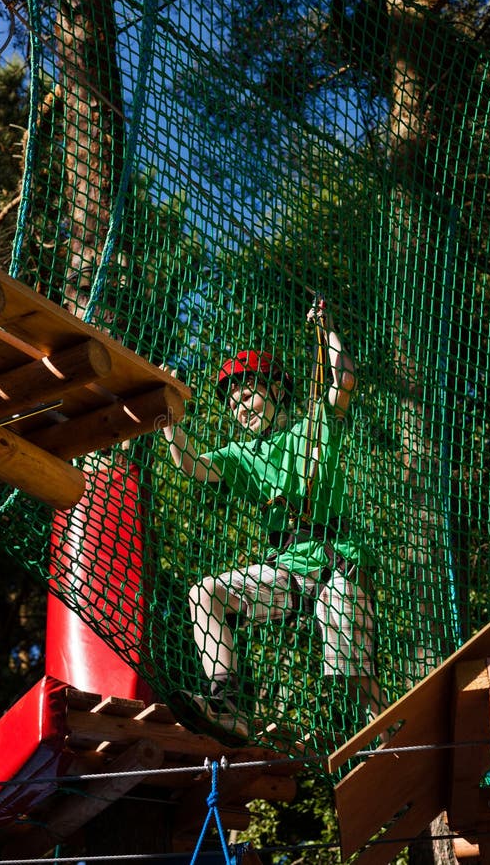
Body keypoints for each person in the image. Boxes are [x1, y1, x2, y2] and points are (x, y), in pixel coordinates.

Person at [163, 302, 380, 739]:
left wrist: (329, 330)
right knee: (206, 594)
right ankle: (227, 701)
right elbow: (191, 466)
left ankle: (385, 729)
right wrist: (168, 417)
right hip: (288, 571)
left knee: (347, 663)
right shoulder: (243, 456)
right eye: (234, 403)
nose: (241, 407)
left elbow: (345, 381)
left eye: (249, 394)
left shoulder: (313, 428)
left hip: (336, 561)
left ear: (277, 391)